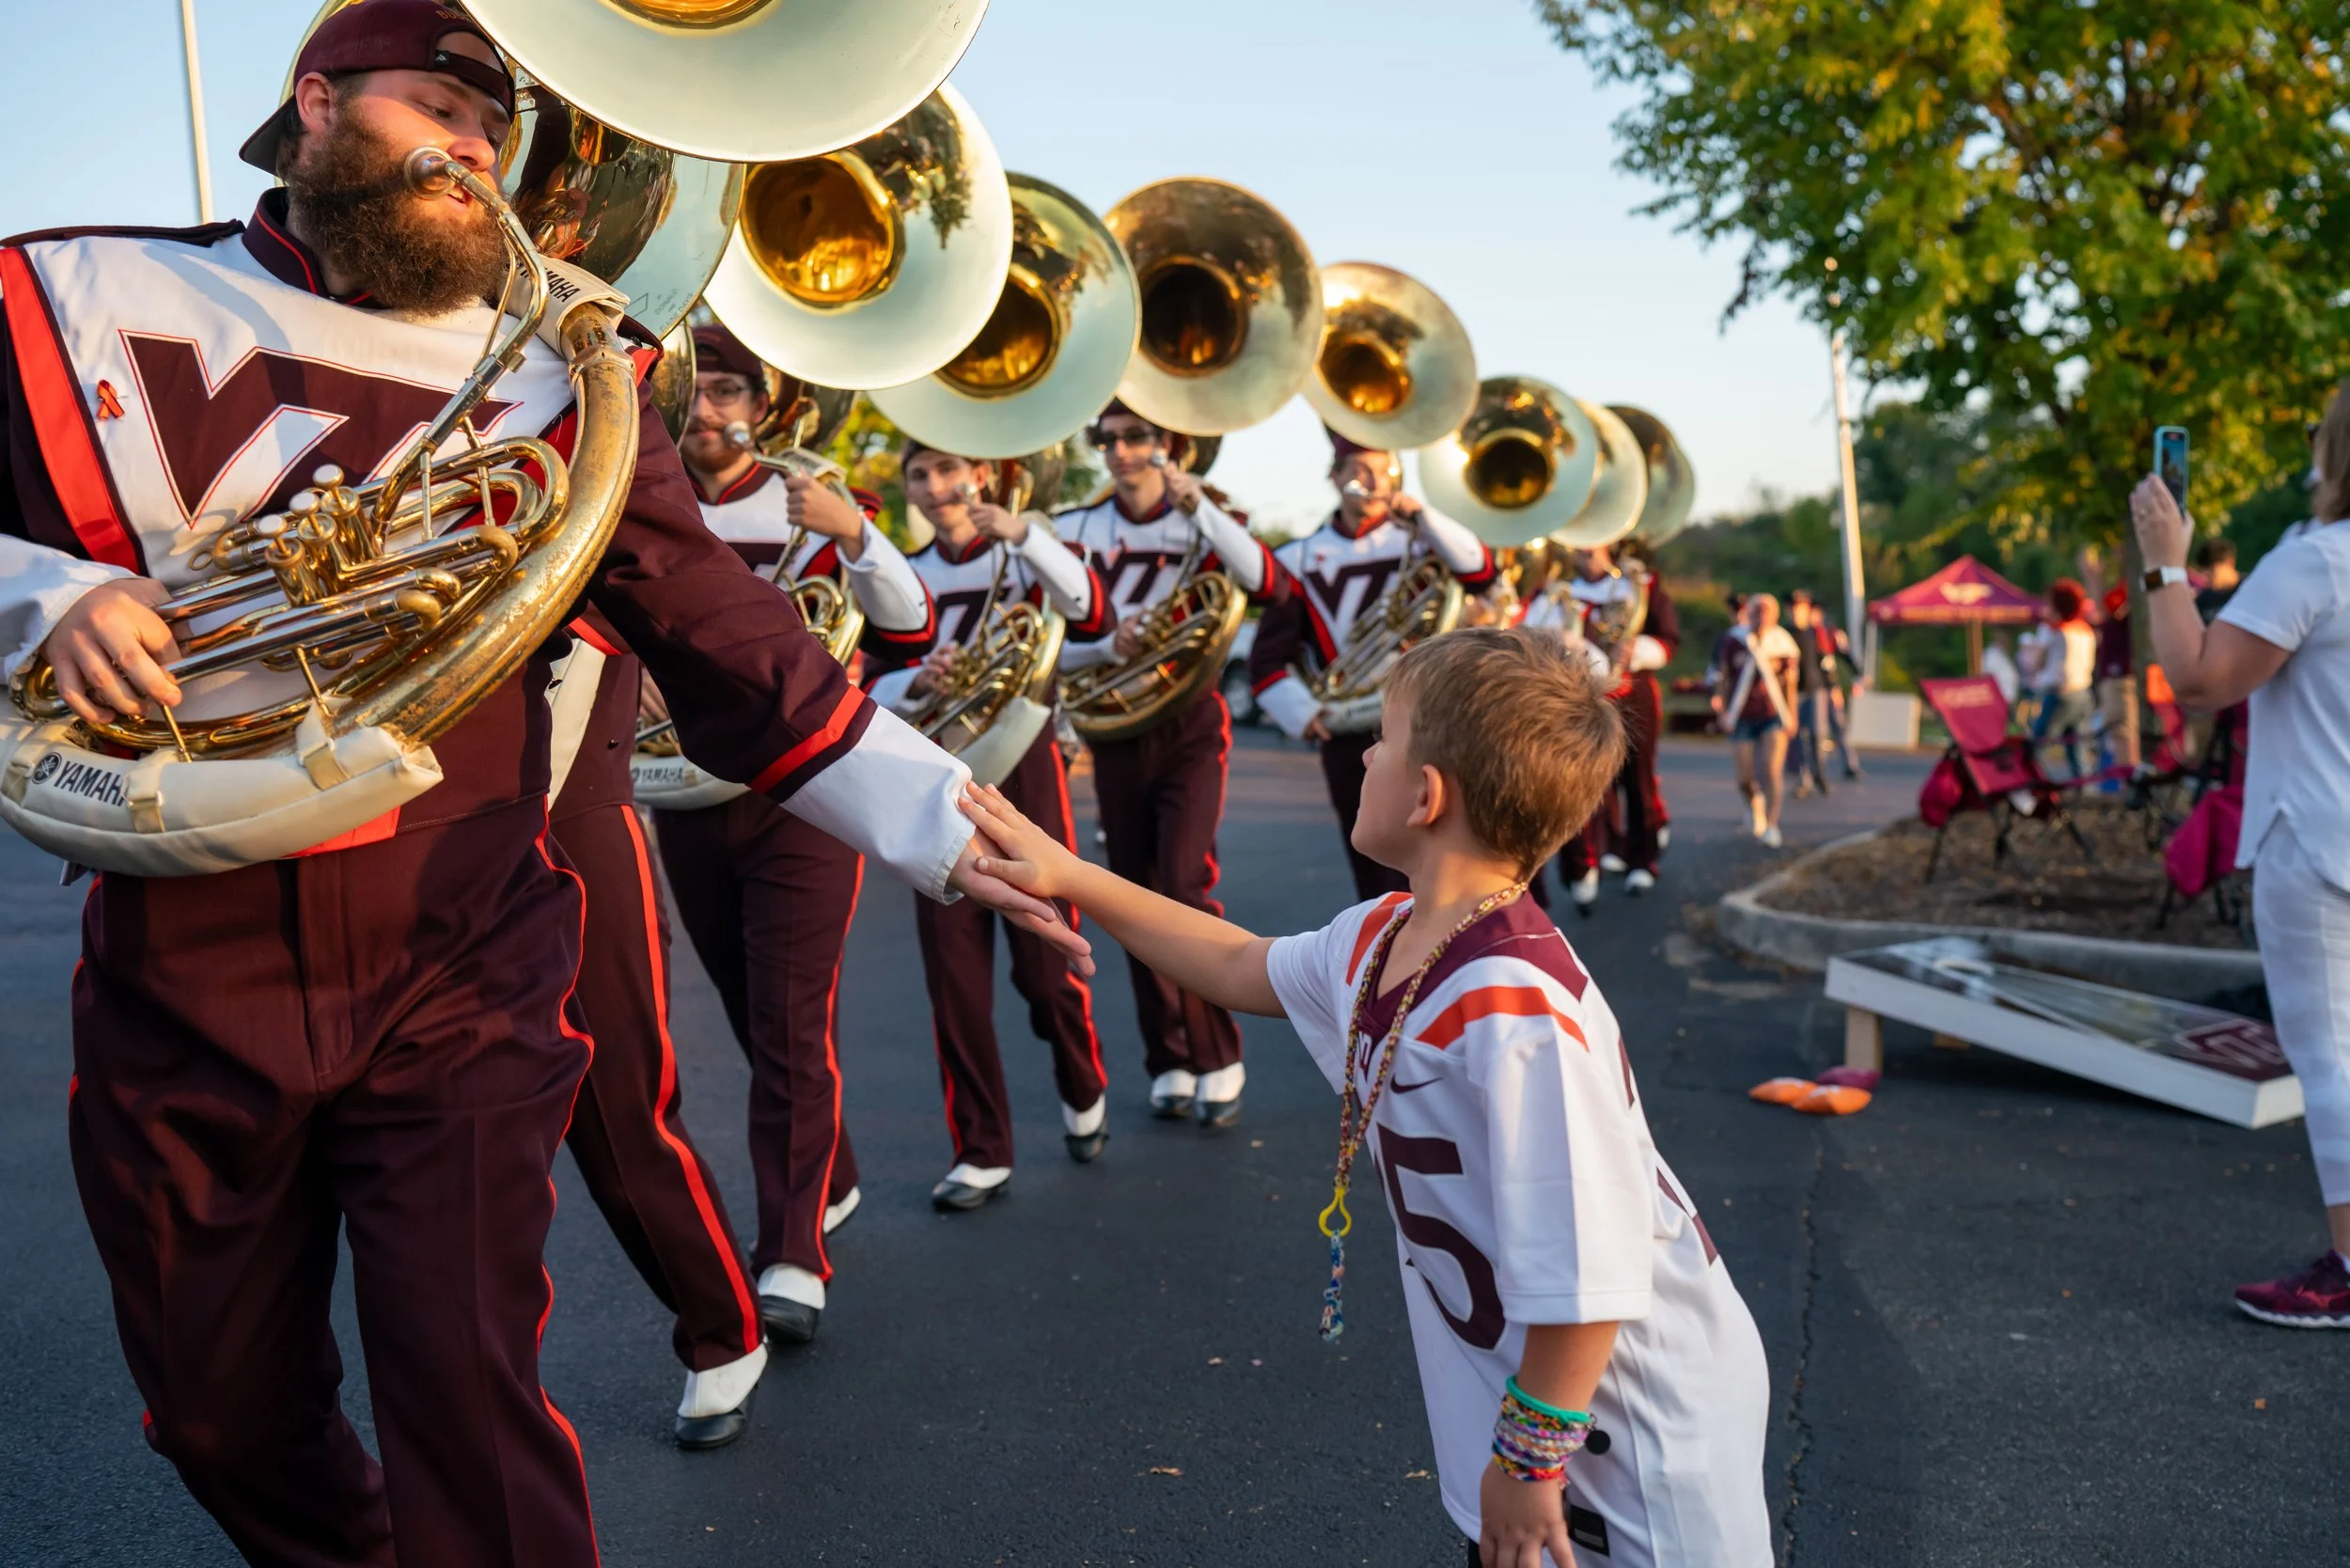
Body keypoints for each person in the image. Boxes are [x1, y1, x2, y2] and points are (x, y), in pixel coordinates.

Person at [0, 5, 1083, 1560]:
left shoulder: (569, 379)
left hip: (461, 955)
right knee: (216, 1407)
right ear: (315, 102)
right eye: (432, 102)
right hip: (185, 967)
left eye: (491, 123)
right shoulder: (66, 291)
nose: (473, 144)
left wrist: (943, 819)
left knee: (472, 1395)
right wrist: (41, 595)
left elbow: (732, 643)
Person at [958, 628, 1771, 1568]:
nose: (1367, 753)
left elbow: (1593, 1269)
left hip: (1633, 1427)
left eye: (1382, 736)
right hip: (1538, 1405)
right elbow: (1237, 963)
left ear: (1426, 797)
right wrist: (1068, 875)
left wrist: (1528, 1456)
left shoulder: (1518, 1015)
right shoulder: (1386, 935)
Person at [650, 321, 936, 1343]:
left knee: (787, 1021)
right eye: (699, 388)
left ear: (763, 409)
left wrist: (855, 535)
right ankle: (834, 1175)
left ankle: (790, 1255)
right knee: (744, 1007)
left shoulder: (810, 499)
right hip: (680, 789)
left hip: (805, 796)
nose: (713, 410)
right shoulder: (641, 492)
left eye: (732, 391)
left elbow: (907, 632)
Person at [2131, 384, 2350, 1327]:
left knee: (2332, 1057)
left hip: (2319, 838)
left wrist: (2161, 564)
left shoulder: (2317, 565)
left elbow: (2197, 678)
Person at [875, 436, 1114, 1209]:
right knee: (956, 980)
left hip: (1026, 774)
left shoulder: (1028, 558)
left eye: (949, 468)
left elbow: (1089, 610)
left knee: (1045, 969)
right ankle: (981, 1148)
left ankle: (1081, 1081)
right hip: (933, 783)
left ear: (980, 473)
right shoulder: (901, 578)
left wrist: (1026, 536)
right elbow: (866, 679)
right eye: (921, 474)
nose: (937, 485)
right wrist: (920, 676)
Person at [545, 636, 769, 1450]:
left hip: (571, 823)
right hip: (415, 836)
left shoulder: (607, 510)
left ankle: (722, 1324)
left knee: (617, 1113)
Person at [1057, 400, 1285, 1127]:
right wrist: (1107, 645)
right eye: (1111, 439)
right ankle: (1170, 1060)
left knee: (1185, 882)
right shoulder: (1076, 526)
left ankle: (1217, 1052)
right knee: (1132, 894)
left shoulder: (1208, 518)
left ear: (1170, 444)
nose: (1123, 452)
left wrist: (1202, 507)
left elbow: (1266, 583)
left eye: (1139, 438)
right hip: (1114, 723)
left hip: (1188, 721)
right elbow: (1054, 631)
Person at [1248, 428, 1495, 901]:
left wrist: (1422, 514)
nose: (1374, 481)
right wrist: (1305, 714)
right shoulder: (1296, 558)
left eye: (1385, 470)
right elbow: (1267, 661)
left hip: (1428, 720)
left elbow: (1480, 572)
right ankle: (1383, 961)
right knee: (1374, 860)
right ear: (1334, 476)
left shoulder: (1424, 544)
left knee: (1443, 850)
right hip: (1348, 729)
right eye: (1360, 469)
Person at [1520, 542, 1680, 913]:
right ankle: (1583, 865)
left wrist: (1636, 648)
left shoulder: (1639, 584)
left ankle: (1642, 860)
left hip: (1632, 691)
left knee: (1638, 780)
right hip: (1576, 694)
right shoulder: (1554, 590)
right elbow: (1528, 633)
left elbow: (1668, 638)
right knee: (1578, 783)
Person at [1713, 593, 1802, 848]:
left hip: (1773, 715)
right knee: (1744, 778)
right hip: (1741, 715)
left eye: (1767, 613)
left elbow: (1791, 684)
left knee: (1772, 771)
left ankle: (1772, 824)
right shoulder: (1734, 640)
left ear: (1774, 617)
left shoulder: (1783, 643)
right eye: (1756, 613)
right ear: (1748, 614)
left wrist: (1791, 715)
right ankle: (1754, 803)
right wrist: (1722, 711)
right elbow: (1723, 677)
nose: (1761, 618)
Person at [2028, 579, 2098, 778]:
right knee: (2078, 751)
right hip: (2084, 694)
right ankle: (2085, 792)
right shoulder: (2086, 629)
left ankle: (2030, 789)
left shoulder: (2053, 630)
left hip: (2060, 695)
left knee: (2036, 747)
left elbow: (2035, 664)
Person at [2092, 585, 2140, 775]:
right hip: (2116, 679)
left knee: (2123, 731)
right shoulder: (2114, 623)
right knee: (2120, 732)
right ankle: (2126, 776)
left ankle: (2129, 776)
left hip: (2120, 679)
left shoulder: (2123, 622)